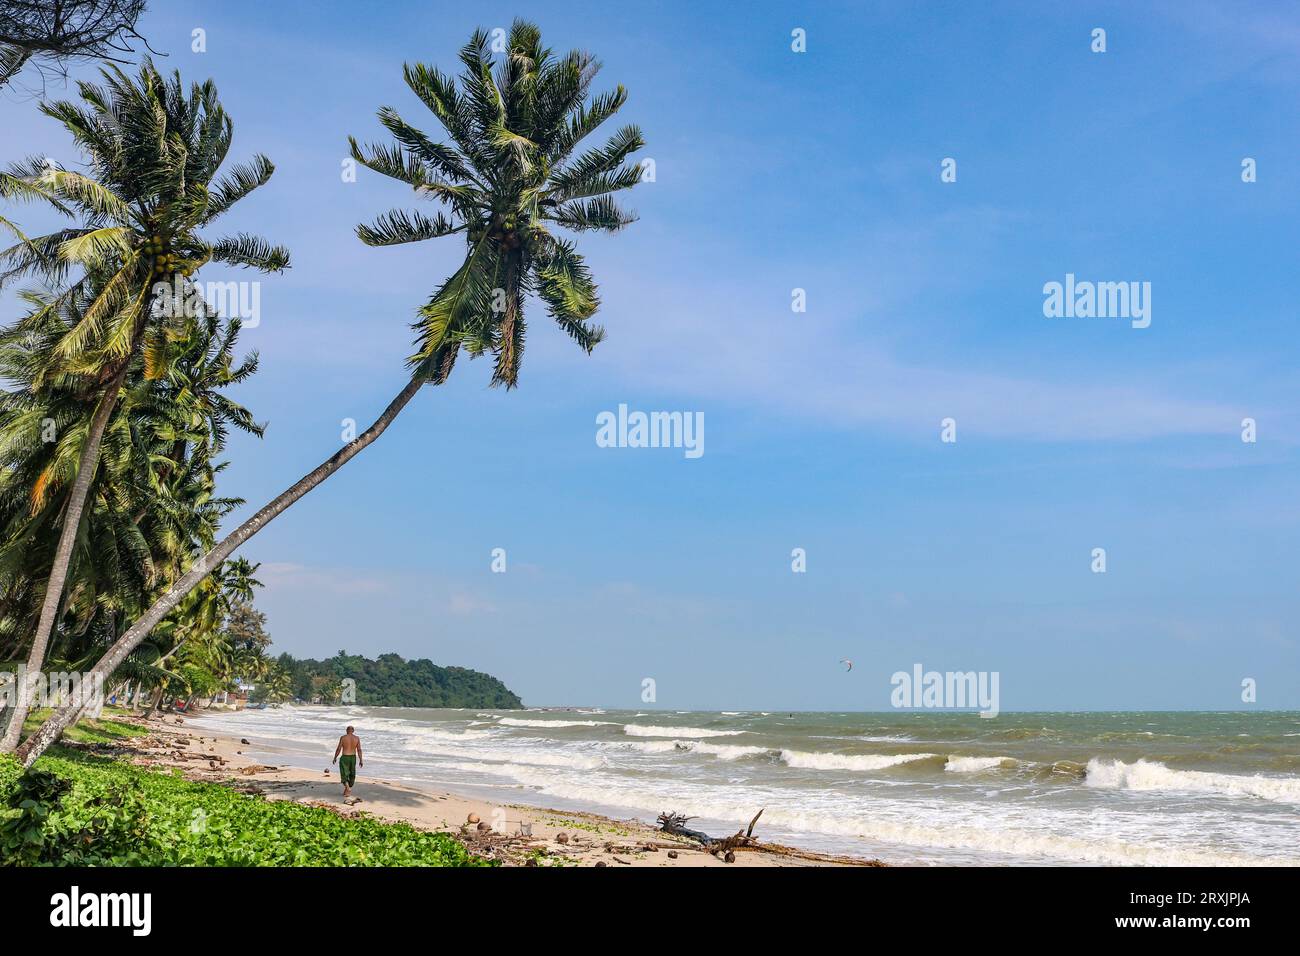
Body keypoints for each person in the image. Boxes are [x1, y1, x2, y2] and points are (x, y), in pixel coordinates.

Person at [332, 726, 363, 798]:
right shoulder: (357, 738)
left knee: (344, 773)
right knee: (351, 773)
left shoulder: (343, 738)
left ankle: (348, 789)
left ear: (346, 730)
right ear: (353, 731)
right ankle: (347, 790)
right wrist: (361, 760)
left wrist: (335, 757)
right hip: (353, 758)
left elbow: (339, 749)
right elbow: (359, 750)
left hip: (345, 757)